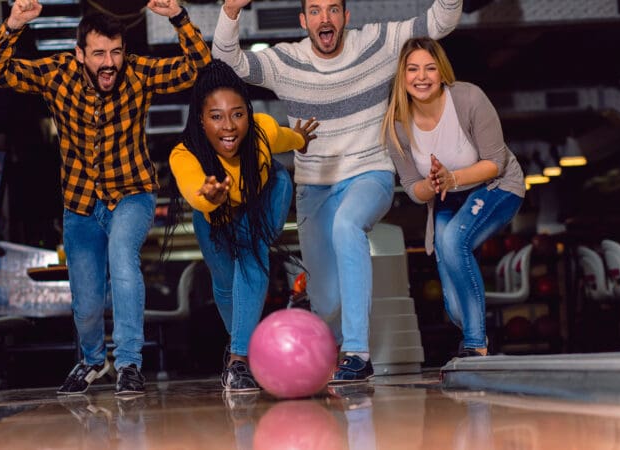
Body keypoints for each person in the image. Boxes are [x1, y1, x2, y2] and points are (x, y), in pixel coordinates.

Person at [213, 0, 463, 382]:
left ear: (346, 17)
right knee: (326, 298)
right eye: (315, 11)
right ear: (304, 20)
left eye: (332, 9)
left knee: (348, 225)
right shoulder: (286, 61)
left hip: (370, 174)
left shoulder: (377, 43)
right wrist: (230, 11)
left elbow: (440, 21)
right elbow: (227, 61)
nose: (324, 18)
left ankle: (357, 353)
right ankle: (325, 353)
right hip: (314, 186)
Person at [0, 0, 211, 395]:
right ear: (80, 53)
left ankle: (129, 364)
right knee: (86, 305)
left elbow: (199, 67)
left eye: (116, 52)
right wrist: (13, 24)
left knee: (123, 261)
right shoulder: (56, 74)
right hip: (80, 205)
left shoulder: (138, 72)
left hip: (132, 194)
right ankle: (91, 360)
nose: (110, 63)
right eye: (100, 53)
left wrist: (178, 18)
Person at [164, 60, 318, 391]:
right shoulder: (184, 153)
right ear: (201, 121)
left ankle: (238, 360)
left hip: (263, 198)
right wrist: (210, 196)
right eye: (216, 116)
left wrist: (301, 139)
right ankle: (245, 346)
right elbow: (196, 192)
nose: (229, 126)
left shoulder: (261, 129)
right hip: (213, 216)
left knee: (251, 253)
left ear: (248, 113)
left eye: (237, 114)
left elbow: (286, 138)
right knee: (224, 281)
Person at [381, 37, 524, 357]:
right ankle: (474, 331)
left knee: (452, 241)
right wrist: (434, 183)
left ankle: (476, 345)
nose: (422, 76)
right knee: (455, 307)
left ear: (442, 72)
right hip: (447, 196)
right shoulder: (397, 126)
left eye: (430, 68)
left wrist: (452, 177)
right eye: (413, 69)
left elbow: (494, 162)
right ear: (402, 77)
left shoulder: (469, 98)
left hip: (497, 187)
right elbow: (413, 187)